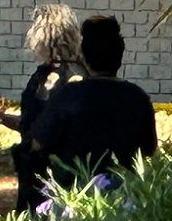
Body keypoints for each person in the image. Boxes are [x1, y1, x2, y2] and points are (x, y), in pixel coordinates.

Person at [33, 15, 156, 184]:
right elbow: (149, 150)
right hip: (126, 197)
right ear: (120, 54)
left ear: (83, 56)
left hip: (75, 197)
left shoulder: (67, 96)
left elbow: (38, 143)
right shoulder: (138, 98)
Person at [0, 4, 86, 211]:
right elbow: (34, 124)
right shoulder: (47, 75)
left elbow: (48, 126)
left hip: (57, 172)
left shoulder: (62, 77)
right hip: (37, 171)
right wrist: (4, 119)